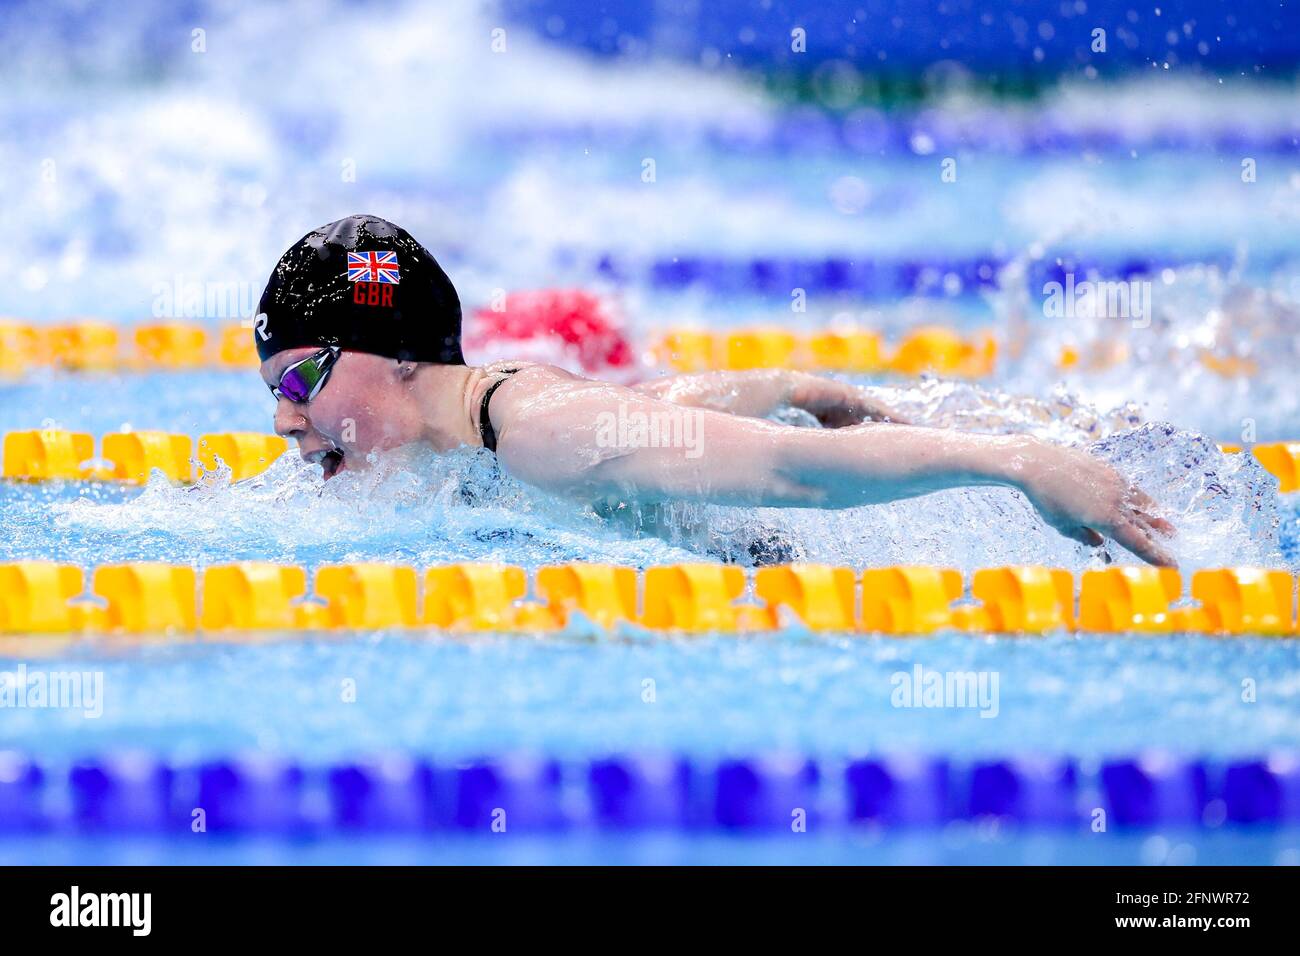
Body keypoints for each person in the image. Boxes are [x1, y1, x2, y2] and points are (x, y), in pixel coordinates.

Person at [255, 214, 1175, 566]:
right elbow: (654, 410)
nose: (285, 418)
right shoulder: (495, 410)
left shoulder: (537, 432)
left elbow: (793, 473)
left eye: (301, 377)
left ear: (400, 355)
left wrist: (1016, 464)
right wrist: (788, 382)